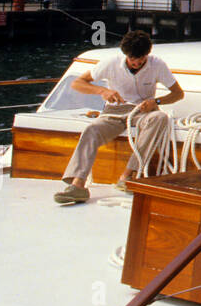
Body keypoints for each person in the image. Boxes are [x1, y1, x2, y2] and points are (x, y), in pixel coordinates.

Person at [55, 30, 184, 204]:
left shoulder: (158, 65)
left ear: (148, 54)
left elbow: (178, 94)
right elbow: (77, 83)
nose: (137, 63)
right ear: (125, 55)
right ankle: (78, 185)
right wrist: (103, 90)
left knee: (159, 118)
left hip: (142, 111)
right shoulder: (110, 63)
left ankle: (128, 175)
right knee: (92, 129)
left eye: (141, 59)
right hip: (114, 111)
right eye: (132, 59)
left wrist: (156, 101)